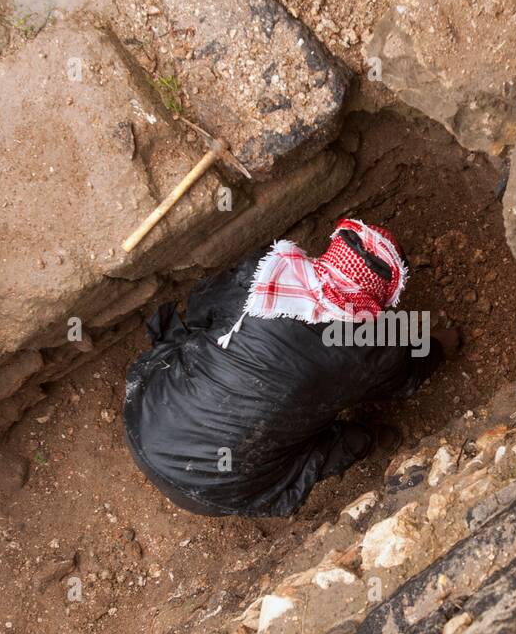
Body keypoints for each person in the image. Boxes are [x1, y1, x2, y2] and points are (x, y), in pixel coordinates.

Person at [123, 218, 455, 517]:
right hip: (215, 491)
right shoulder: (373, 348)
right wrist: (441, 344)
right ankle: (367, 440)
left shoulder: (261, 274)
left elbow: (199, 309)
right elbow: (406, 378)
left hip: (145, 423)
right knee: (347, 438)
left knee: (198, 347)